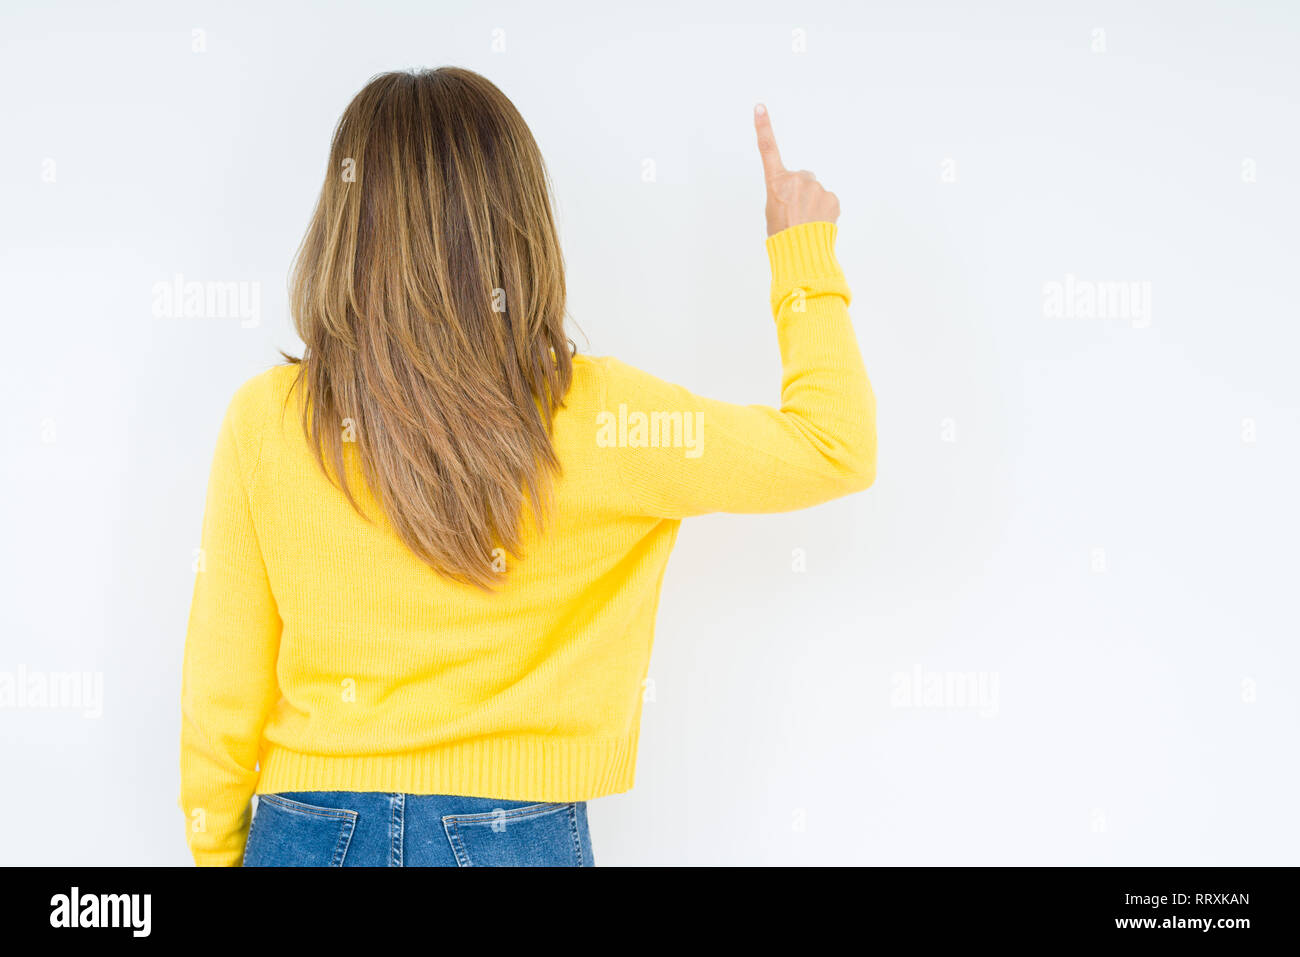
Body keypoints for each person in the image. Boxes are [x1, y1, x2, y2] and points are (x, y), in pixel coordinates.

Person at [180, 67, 875, 867]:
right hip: (510, 838)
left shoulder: (270, 419)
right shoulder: (607, 419)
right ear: (518, 223)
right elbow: (835, 445)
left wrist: (218, 851)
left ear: (345, 223)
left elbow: (219, 690)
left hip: (308, 829)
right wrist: (801, 251)